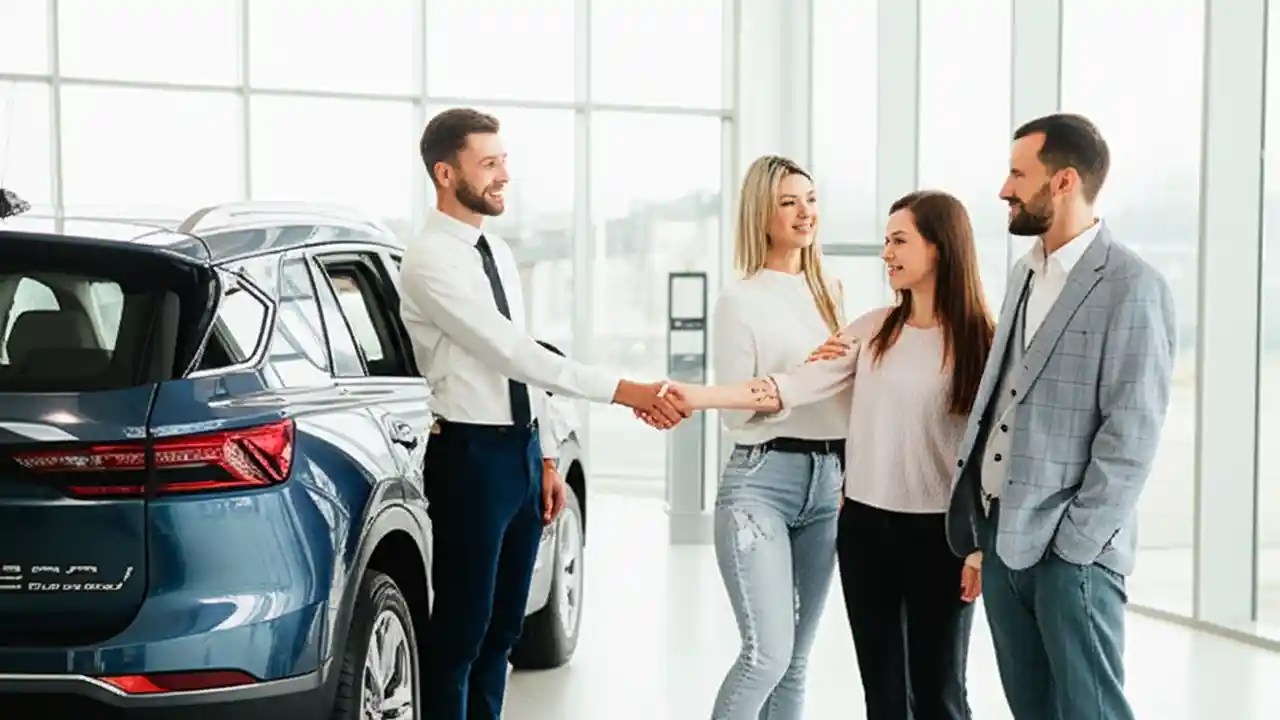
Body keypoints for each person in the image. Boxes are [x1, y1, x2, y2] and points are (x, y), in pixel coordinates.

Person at [399, 107, 688, 720]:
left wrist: (549, 455)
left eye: (505, 161)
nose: (505, 175)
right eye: (489, 163)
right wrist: (624, 389)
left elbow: (526, 362)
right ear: (446, 173)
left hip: (522, 456)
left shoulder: (496, 253)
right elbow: (509, 351)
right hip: (470, 457)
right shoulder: (429, 260)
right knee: (460, 634)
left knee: (505, 629)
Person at [665, 189, 995, 719]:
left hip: (943, 538)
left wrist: (979, 547)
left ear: (940, 247)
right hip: (867, 531)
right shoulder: (872, 329)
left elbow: (994, 455)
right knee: (883, 695)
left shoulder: (982, 341)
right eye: (885, 240)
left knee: (940, 695)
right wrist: (696, 396)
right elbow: (788, 387)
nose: (886, 253)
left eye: (899, 241)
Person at [944, 112, 1176, 720]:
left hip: (1072, 555)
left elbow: (1132, 435)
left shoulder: (1133, 286)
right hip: (1001, 541)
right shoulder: (1024, 273)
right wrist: (980, 534)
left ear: (1064, 181)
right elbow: (1002, 400)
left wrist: (1076, 546)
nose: (1003, 189)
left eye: (1018, 174)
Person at [704, 155, 849, 720]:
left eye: (810, 199)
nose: (804, 212)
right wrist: (802, 378)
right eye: (788, 202)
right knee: (766, 655)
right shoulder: (740, 300)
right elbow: (735, 416)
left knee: (796, 663)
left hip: (828, 483)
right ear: (761, 215)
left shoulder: (831, 290)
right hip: (762, 481)